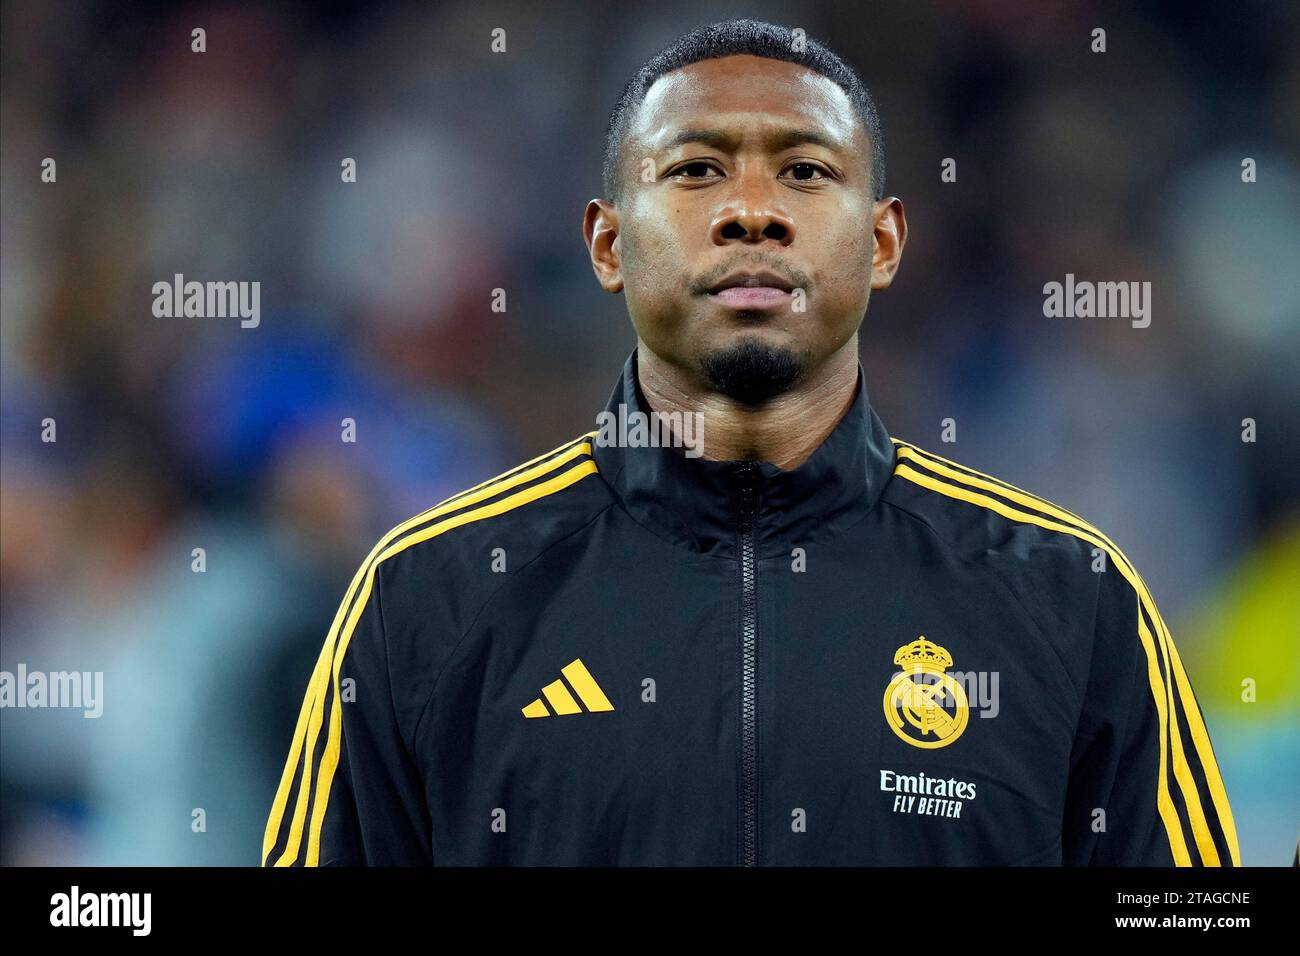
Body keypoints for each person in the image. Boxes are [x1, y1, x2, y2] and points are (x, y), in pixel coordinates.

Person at [262, 18, 1239, 866]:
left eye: (806, 170)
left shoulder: (1072, 601)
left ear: (884, 241)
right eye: (695, 169)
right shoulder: (425, 600)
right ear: (606, 243)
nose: (751, 210)